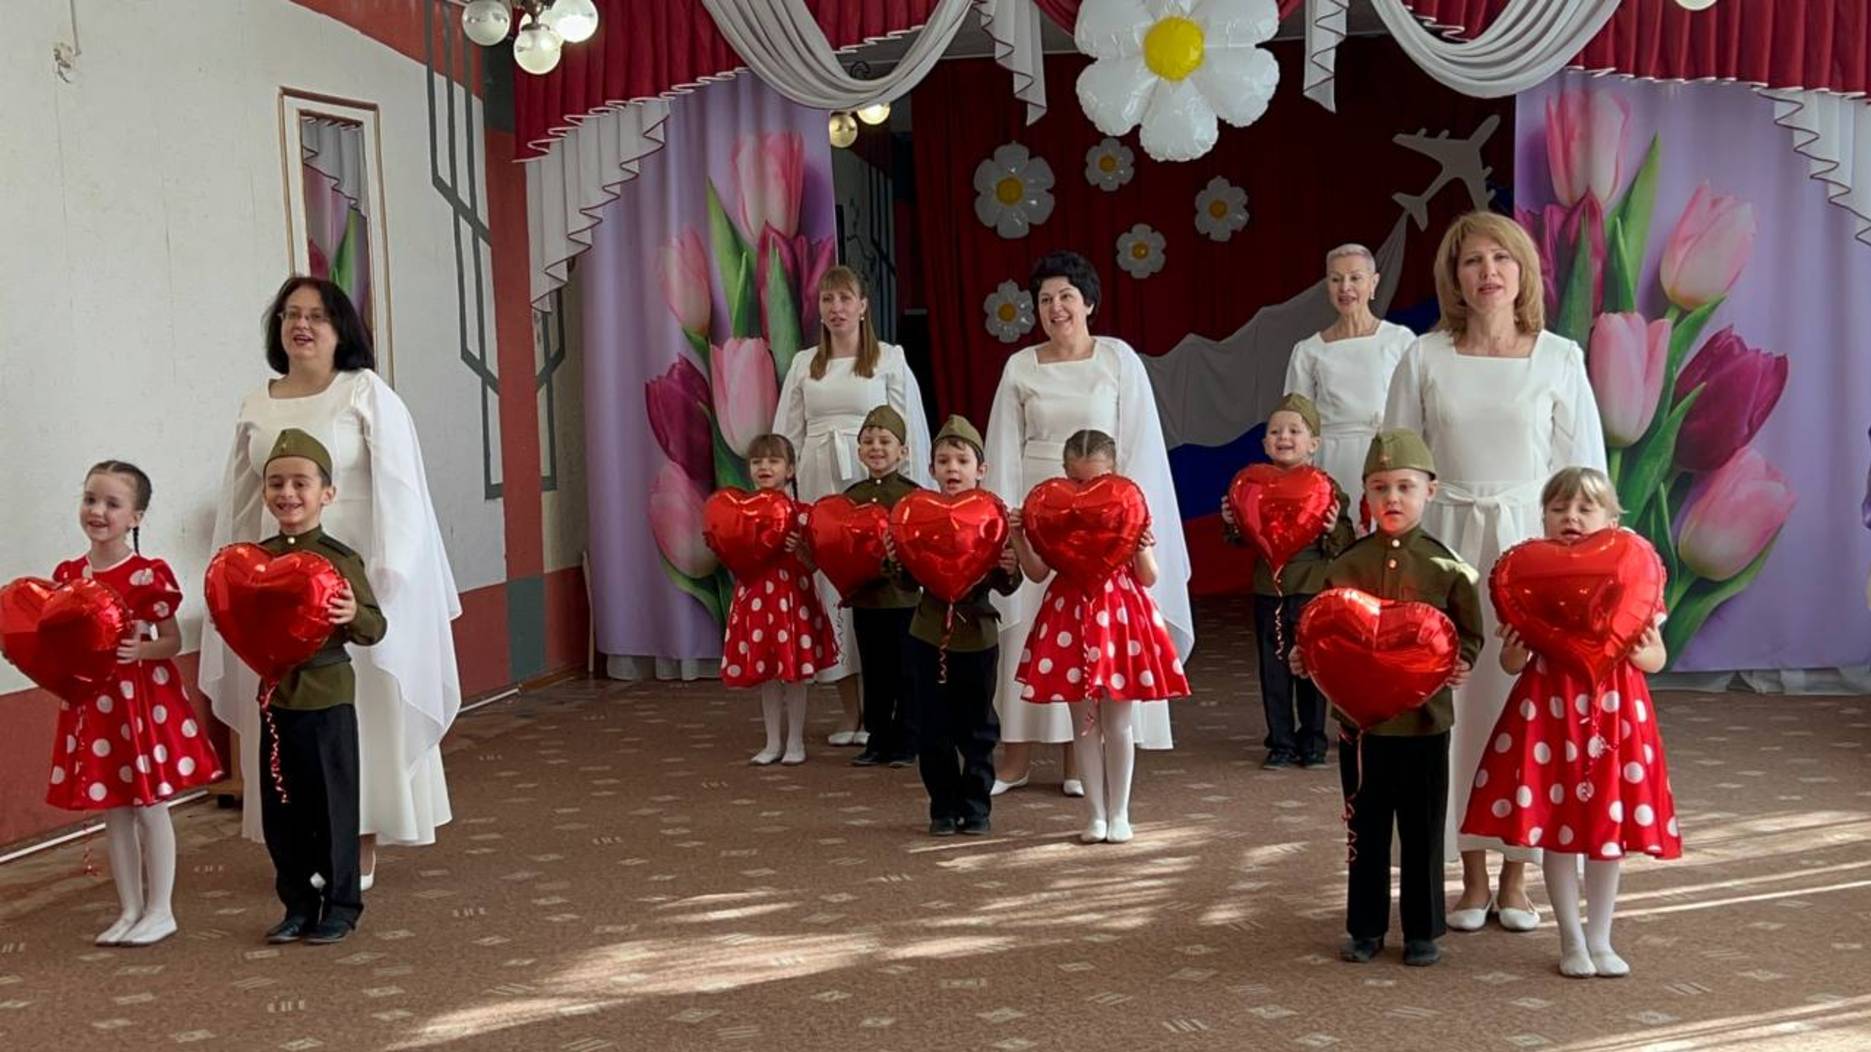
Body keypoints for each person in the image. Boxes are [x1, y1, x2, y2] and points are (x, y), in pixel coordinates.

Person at [1383, 211, 1607, 932]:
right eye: (1472, 260)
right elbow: (1396, 465)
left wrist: (1584, 570)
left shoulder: (1559, 357)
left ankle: (1517, 876)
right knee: (1450, 708)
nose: (1488, 273)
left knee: (1524, 709)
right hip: (1443, 547)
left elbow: (1584, 475)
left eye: (1500, 259)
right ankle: (1469, 875)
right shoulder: (1422, 356)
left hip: (1530, 551)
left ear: (1522, 271)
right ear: (1453, 277)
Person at [201, 277, 460, 890]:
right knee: (291, 712)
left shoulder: (364, 392)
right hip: (277, 588)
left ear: (340, 329)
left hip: (352, 579)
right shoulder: (256, 403)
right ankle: (305, 842)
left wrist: (386, 580)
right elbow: (240, 505)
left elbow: (402, 492)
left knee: (356, 713)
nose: (302, 325)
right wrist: (229, 585)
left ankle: (358, 845)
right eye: (291, 314)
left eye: (317, 316)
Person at [983, 251, 1191, 797]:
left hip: (1102, 516)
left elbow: (1140, 442)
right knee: (1027, 627)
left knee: (1091, 631)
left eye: (1067, 297)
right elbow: (1003, 445)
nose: (1056, 308)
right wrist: (1010, 525)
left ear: (1089, 303)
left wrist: (1129, 520)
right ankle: (1015, 758)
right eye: (1045, 299)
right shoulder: (1020, 366)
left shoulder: (1119, 358)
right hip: (1039, 509)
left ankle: (1080, 760)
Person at [1460, 467, 1681, 978]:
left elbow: (1656, 659)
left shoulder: (1633, 573)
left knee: (1607, 832)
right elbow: (1511, 664)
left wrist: (1641, 648)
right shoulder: (1532, 577)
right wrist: (1515, 649)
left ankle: (1601, 938)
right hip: (1550, 714)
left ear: (1612, 519)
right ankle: (1571, 939)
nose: (1571, 518)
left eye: (1585, 508)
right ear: (1544, 517)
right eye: (1559, 509)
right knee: (1557, 830)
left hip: (1615, 716)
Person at [1293, 429, 1483, 967]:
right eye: (1380, 488)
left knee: (1423, 828)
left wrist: (1463, 660)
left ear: (1430, 491)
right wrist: (1306, 658)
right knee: (1366, 826)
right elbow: (1323, 630)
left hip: (1425, 720)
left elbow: (1469, 630)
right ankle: (1365, 926)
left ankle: (1423, 929)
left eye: (1405, 486)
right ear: (1366, 495)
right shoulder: (1346, 565)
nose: (1392, 498)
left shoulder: (1448, 567)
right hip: (1362, 728)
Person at [45, 461, 222, 946]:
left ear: (136, 517)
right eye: (90, 499)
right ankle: (129, 908)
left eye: (112, 503)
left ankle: (161, 909)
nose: (97, 511)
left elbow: (172, 640)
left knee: (150, 805)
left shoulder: (148, 575)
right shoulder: (68, 575)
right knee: (115, 809)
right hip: (95, 705)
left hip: (138, 703)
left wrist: (140, 651)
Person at [774, 266, 934, 747]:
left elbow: (912, 431)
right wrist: (785, 504)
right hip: (821, 488)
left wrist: (916, 502)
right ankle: (852, 713)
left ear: (864, 306)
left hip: (876, 487)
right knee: (832, 597)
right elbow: (787, 436)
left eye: (845, 298)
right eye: (828, 300)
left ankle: (893, 712)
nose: (836, 308)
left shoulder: (889, 359)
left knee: (880, 592)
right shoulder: (805, 364)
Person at [1009, 429, 1189, 844]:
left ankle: (1120, 812)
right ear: (1064, 474)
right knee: (1084, 725)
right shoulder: (1055, 515)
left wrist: (1140, 544)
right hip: (1069, 615)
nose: (1087, 492)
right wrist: (1019, 535)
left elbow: (1148, 577)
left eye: (1097, 481)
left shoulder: (1128, 509)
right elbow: (1037, 572)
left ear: (1114, 473)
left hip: (1120, 618)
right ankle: (1094, 815)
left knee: (1119, 724)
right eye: (1077, 480)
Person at [251, 429, 385, 946]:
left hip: (328, 695)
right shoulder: (255, 560)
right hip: (276, 699)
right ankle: (298, 906)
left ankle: (342, 906)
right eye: (276, 483)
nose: (287, 493)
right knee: (281, 811)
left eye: (300, 483)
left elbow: (374, 626)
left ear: (326, 493)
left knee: (333, 806)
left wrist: (352, 614)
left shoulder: (339, 558)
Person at [889, 416, 1021, 836]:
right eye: (943, 461)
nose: (952, 469)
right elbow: (907, 583)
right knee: (932, 725)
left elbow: (1008, 584)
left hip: (977, 635)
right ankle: (942, 806)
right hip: (927, 632)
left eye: (962, 461)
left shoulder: (993, 515)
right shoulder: (916, 514)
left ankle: (976, 805)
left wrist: (1009, 567)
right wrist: (895, 560)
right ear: (931, 469)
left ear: (980, 470)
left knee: (978, 726)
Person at [1221, 394, 1355, 769]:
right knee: (1274, 668)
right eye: (1275, 431)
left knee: (1311, 664)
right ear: (1265, 442)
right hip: (1270, 589)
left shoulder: (1327, 486)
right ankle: (1280, 741)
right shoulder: (1252, 483)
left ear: (1313, 443)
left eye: (1295, 431)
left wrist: (1332, 528)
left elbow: (1346, 540)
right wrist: (1232, 522)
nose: (1284, 437)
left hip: (1312, 587)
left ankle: (1312, 740)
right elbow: (1243, 537)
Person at [711, 434, 839, 765]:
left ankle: (795, 741)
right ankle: (772, 742)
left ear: (790, 469)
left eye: (773, 461)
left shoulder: (802, 514)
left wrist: (800, 548)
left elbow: (813, 565)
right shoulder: (739, 512)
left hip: (790, 599)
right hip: (755, 598)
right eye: (757, 461)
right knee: (767, 673)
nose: (764, 467)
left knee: (793, 672)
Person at [1283, 244, 1417, 506]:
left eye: (1355, 278)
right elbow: (1296, 421)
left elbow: (1416, 409)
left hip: (1387, 458)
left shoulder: (1400, 340)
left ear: (1373, 283)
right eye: (1336, 279)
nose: (1345, 287)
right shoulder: (1308, 351)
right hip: (1330, 461)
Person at [840, 405, 923, 768]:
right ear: (859, 451)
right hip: (867, 599)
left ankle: (907, 739)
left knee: (906, 672)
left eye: (885, 441)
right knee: (874, 671)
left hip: (903, 599)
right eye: (868, 441)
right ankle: (877, 738)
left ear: (902, 451)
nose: (876, 447)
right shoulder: (851, 496)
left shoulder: (913, 496)